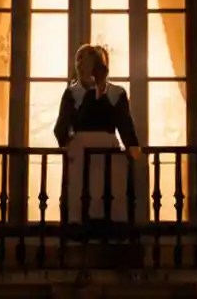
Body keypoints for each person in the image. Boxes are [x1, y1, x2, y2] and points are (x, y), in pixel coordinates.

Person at [53, 44, 142, 224]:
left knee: (107, 195)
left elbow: (126, 127)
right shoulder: (73, 93)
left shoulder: (114, 93)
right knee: (84, 196)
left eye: (86, 62)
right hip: (84, 153)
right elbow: (61, 128)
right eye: (79, 62)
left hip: (102, 152)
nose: (81, 66)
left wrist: (134, 150)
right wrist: (69, 144)